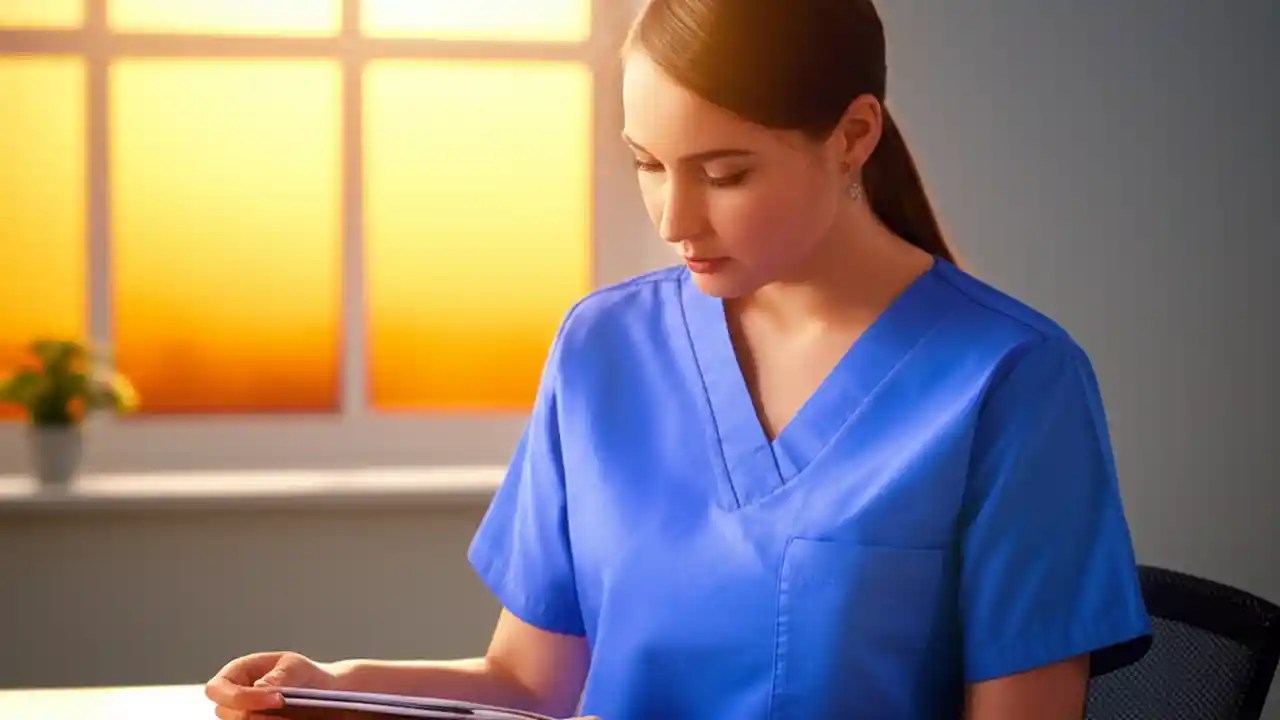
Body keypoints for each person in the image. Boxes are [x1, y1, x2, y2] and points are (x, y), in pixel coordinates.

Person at [206, 1, 1154, 718]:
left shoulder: (1012, 381)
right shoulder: (602, 349)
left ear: (853, 136)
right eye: (648, 164)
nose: (672, 221)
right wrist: (332, 686)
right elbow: (533, 681)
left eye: (725, 173)